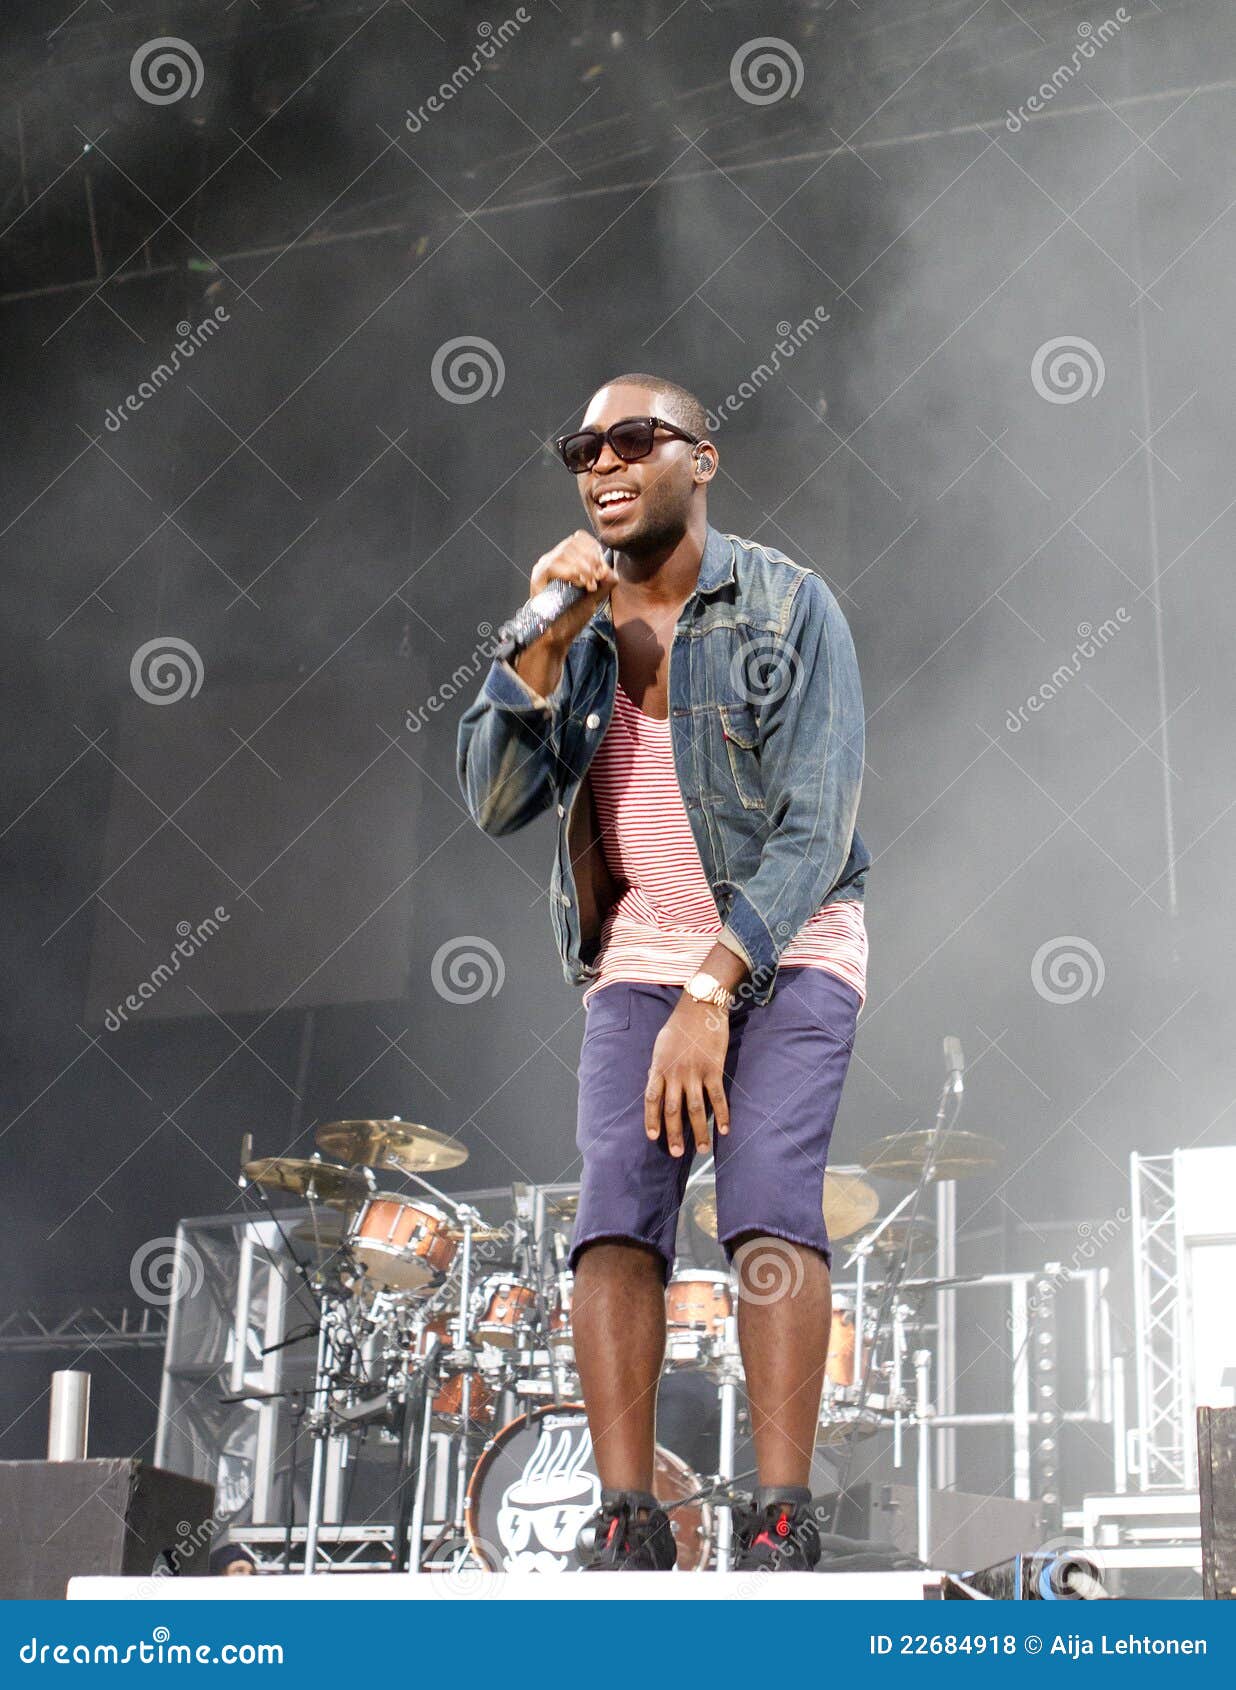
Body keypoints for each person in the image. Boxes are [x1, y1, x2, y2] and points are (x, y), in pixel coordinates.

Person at [458, 375, 869, 1570]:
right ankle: (628, 1516)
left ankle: (784, 1511)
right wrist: (539, 637)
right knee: (613, 1223)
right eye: (584, 445)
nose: (604, 462)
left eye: (634, 439)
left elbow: (820, 823)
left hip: (786, 944)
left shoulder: (789, 605)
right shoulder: (571, 631)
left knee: (769, 1210)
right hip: (638, 954)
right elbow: (492, 799)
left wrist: (714, 986)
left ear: (703, 460)